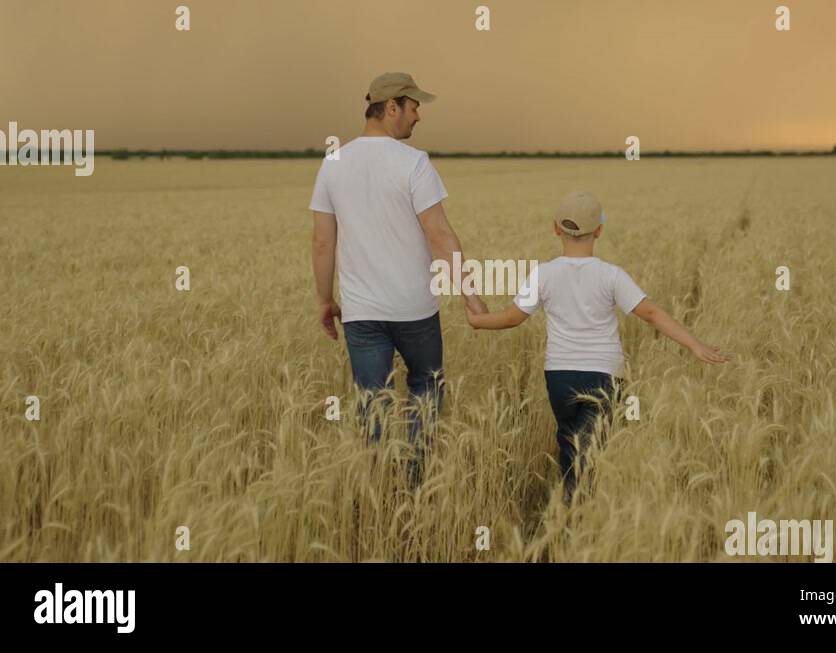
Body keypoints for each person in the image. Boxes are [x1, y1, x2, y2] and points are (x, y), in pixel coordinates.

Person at [466, 191, 732, 503]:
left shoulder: (543, 274)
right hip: (604, 376)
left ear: (556, 229)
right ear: (599, 230)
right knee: (595, 447)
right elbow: (651, 313)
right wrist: (694, 344)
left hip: (559, 376)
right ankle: (587, 512)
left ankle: (569, 506)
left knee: (569, 441)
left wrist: (478, 321)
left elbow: (512, 318)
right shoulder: (611, 275)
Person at [309, 72, 486, 485]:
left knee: (372, 402)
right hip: (414, 310)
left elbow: (321, 242)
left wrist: (324, 301)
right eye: (414, 106)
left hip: (361, 313)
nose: (418, 115)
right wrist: (471, 296)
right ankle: (414, 480)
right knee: (426, 389)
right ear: (392, 108)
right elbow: (439, 234)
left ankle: (374, 486)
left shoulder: (333, 161)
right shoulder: (413, 162)